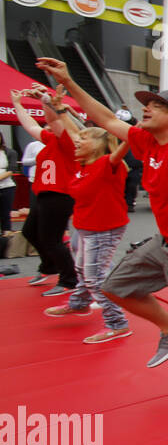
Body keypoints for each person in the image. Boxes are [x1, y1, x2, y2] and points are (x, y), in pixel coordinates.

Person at [37, 55, 168, 370]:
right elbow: (105, 119)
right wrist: (69, 81)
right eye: (145, 102)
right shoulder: (147, 142)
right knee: (114, 287)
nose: (145, 107)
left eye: (155, 105)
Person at [44, 125, 132, 343]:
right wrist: (57, 109)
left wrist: (135, 130)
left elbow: (125, 145)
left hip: (104, 229)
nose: (76, 142)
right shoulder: (83, 166)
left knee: (95, 278)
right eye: (78, 139)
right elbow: (71, 131)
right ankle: (79, 303)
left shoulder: (108, 163)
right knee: (82, 269)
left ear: (97, 146)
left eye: (83, 139)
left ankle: (118, 324)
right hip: (85, 227)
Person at [10, 87, 78, 296]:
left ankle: (69, 279)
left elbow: (55, 120)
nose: (47, 125)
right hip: (44, 195)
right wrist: (17, 104)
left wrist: (45, 101)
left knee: (52, 239)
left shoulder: (68, 142)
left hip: (60, 196)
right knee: (30, 231)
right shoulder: (49, 141)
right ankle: (50, 266)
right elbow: (30, 125)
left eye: (50, 123)